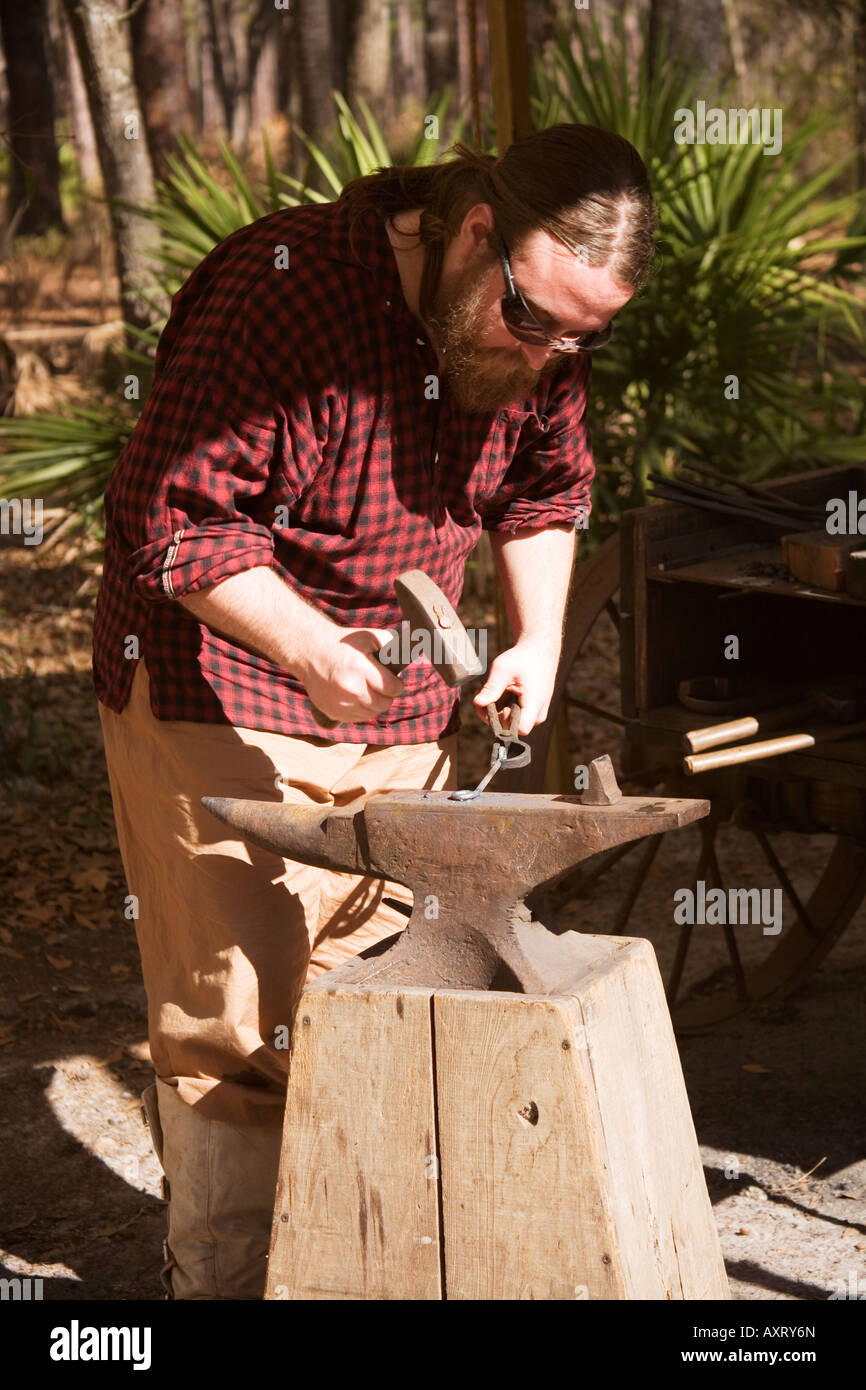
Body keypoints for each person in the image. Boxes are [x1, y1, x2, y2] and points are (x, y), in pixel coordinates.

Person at [92, 122, 656, 1299]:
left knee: (372, 1005)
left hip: (396, 701)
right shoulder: (281, 292)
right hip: (221, 678)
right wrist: (305, 643)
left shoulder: (539, 327)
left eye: (578, 336)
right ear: (471, 235)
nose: (549, 351)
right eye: (531, 318)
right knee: (238, 1029)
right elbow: (175, 524)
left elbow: (543, 495)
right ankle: (233, 1284)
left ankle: (349, 1269)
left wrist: (538, 639)